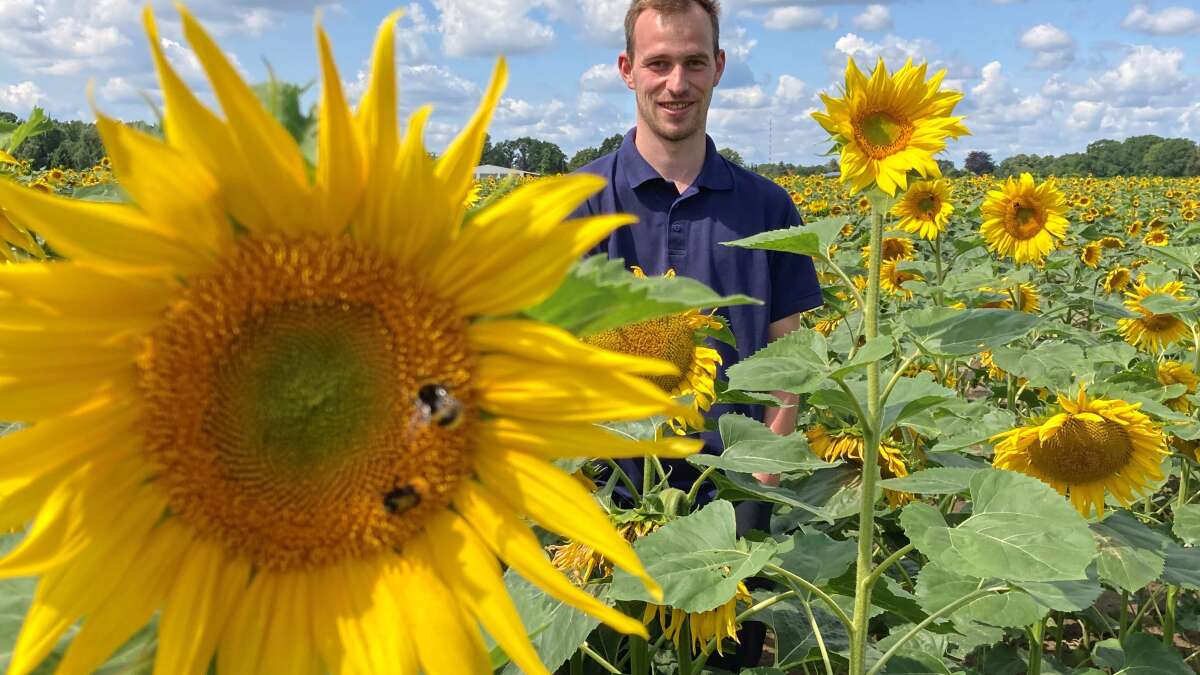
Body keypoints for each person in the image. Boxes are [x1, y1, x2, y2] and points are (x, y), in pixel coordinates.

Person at [570, 0, 823, 666]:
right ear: (627, 70)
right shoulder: (575, 206)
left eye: (691, 62)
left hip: (731, 511)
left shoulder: (769, 208)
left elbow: (789, 365)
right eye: (658, 63)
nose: (675, 83)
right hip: (605, 509)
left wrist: (760, 478)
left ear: (718, 68)